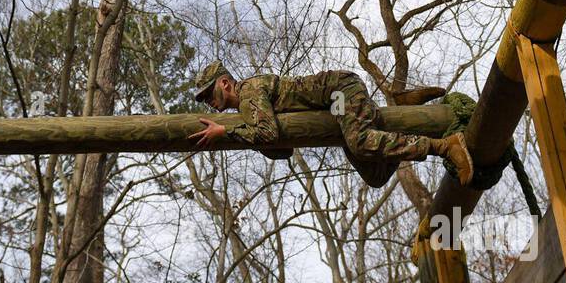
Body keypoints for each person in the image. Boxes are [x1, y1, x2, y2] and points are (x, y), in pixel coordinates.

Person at [188, 61, 472, 188]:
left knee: (360, 141)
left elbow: (269, 133)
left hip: (338, 91)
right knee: (375, 177)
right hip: (334, 108)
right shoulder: (247, 107)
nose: (208, 103)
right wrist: (247, 133)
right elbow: (282, 150)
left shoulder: (249, 93)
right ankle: (403, 105)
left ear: (225, 83)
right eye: (203, 100)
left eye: (209, 94)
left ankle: (445, 146)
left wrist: (225, 131)